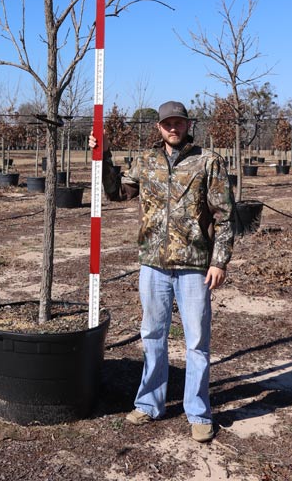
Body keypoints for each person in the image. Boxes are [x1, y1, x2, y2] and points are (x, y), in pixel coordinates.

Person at [89, 100, 234, 442]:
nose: (173, 128)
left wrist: (219, 261)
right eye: (167, 123)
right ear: (158, 127)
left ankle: (198, 412)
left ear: (187, 125)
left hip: (194, 266)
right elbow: (116, 193)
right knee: (153, 335)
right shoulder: (146, 161)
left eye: (179, 123)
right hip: (153, 264)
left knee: (197, 341)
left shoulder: (208, 161)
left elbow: (224, 215)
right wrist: (104, 154)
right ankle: (149, 403)